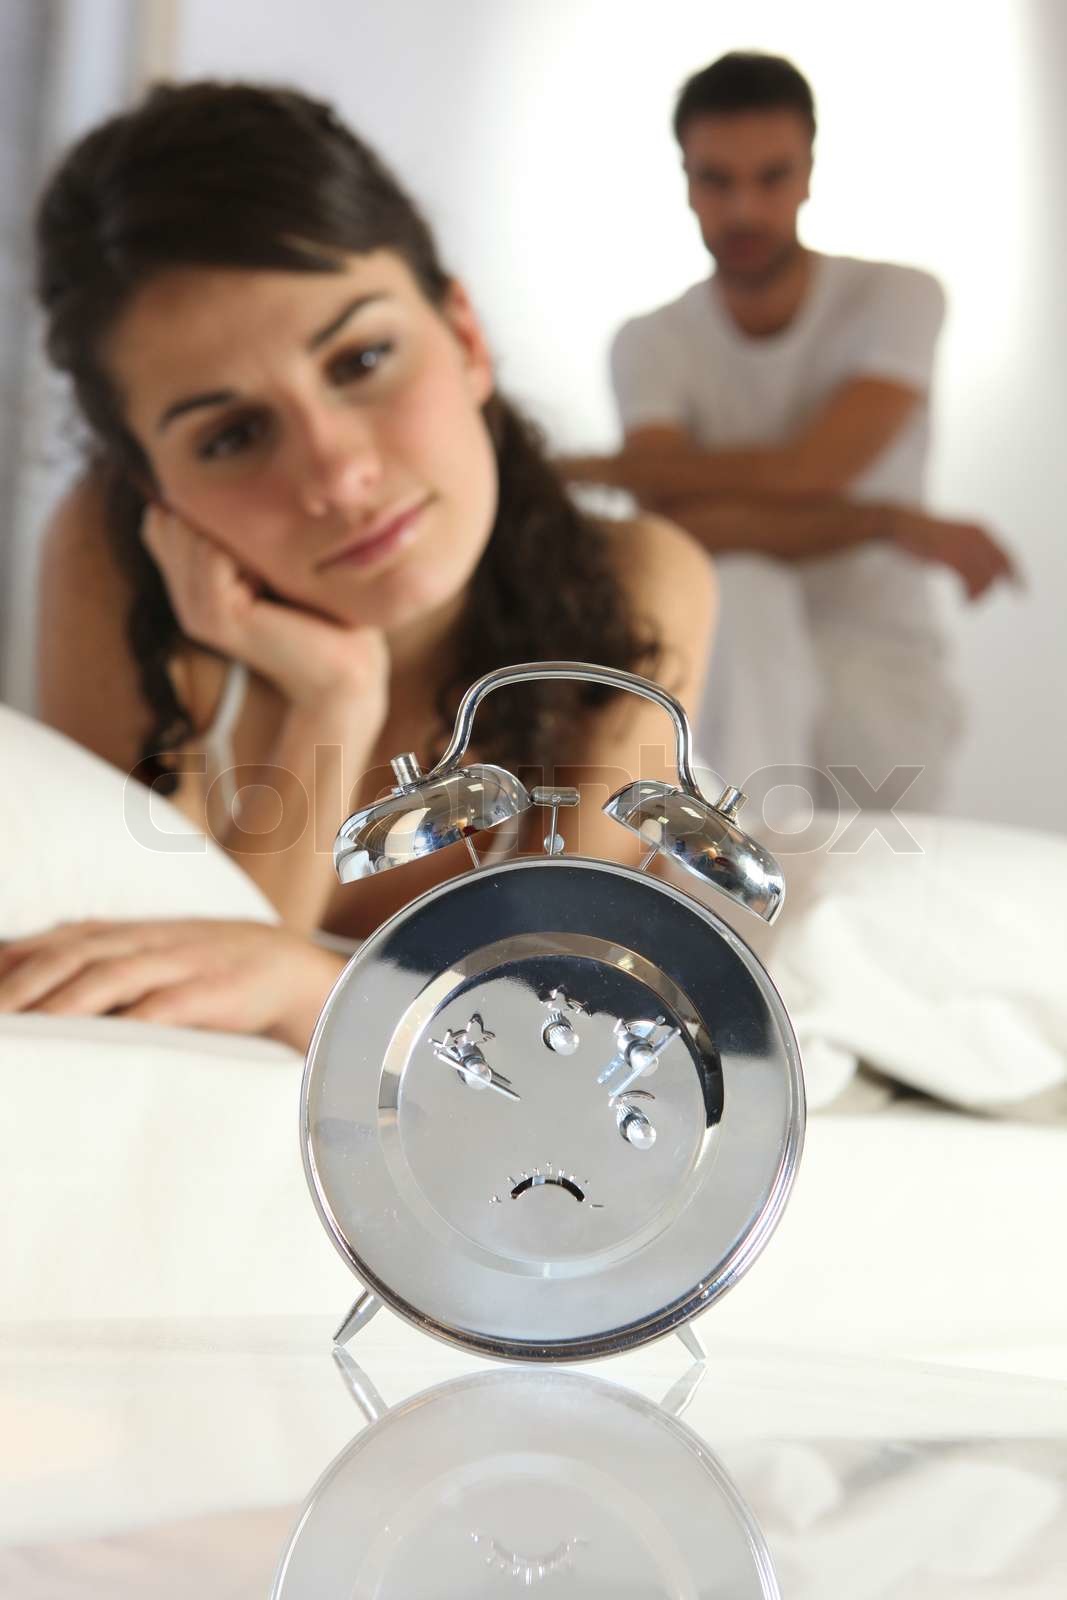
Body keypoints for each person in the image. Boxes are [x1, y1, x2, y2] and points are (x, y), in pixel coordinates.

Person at [0, 81, 713, 1050]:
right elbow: (161, 1019)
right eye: (234, 433)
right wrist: (329, 697)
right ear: (152, 488)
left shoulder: (637, 578)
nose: (336, 473)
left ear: (463, 335)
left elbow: (559, 1013)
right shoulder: (113, 558)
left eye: (361, 359)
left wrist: (307, 985)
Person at [564, 51, 1015, 809]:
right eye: (716, 179)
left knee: (885, 899)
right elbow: (680, 530)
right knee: (742, 587)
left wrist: (612, 469)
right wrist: (884, 520)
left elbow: (815, 468)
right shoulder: (650, 341)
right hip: (727, 664)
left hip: (882, 659)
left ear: (808, 173)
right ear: (684, 180)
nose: (743, 210)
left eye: (771, 177)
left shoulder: (895, 299)